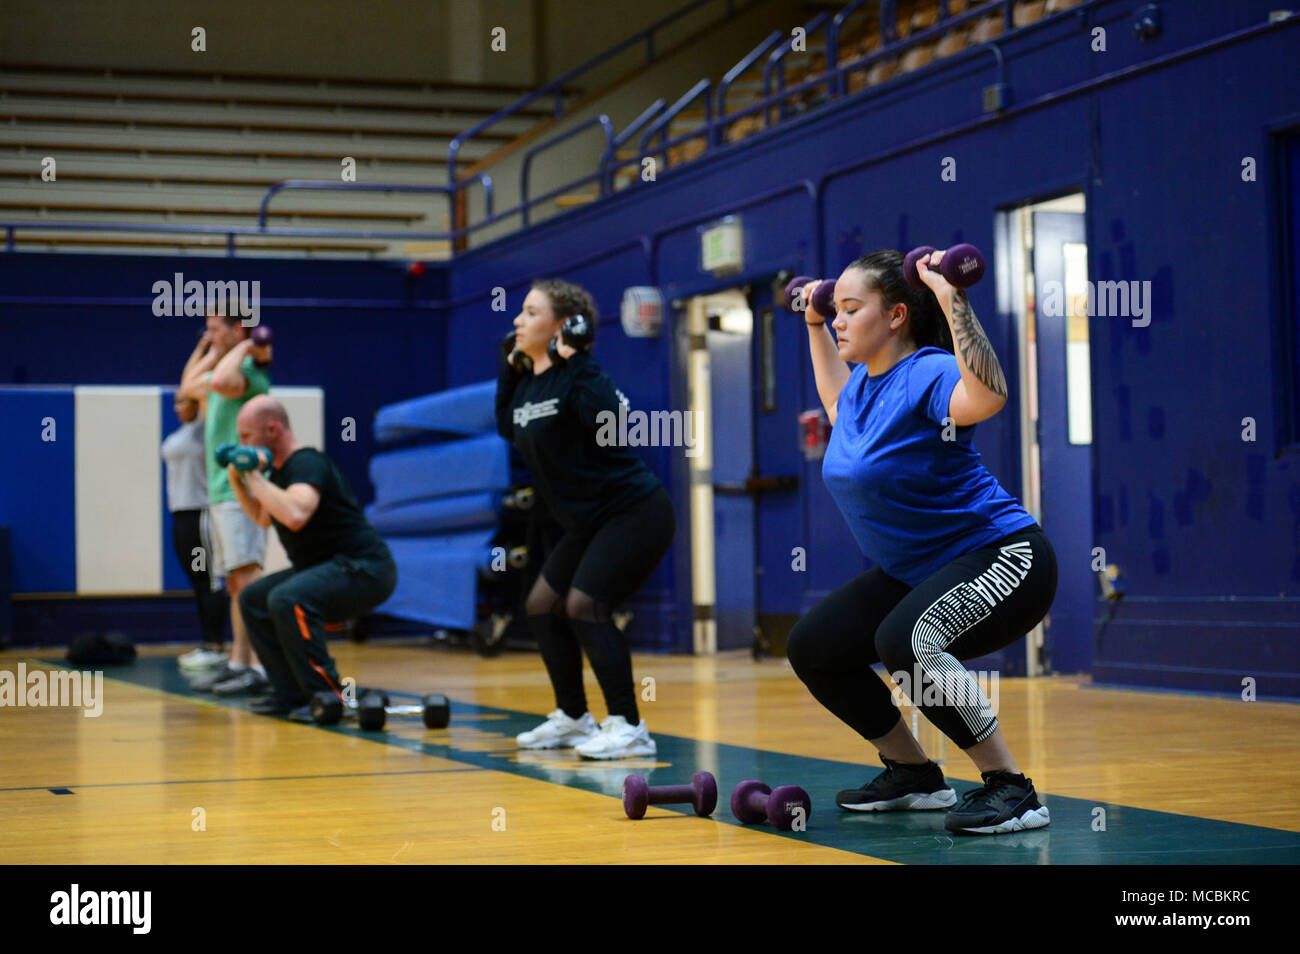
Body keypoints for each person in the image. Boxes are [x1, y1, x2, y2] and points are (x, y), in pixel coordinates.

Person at [786, 248, 1058, 835]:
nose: (839, 319)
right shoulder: (860, 390)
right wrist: (813, 323)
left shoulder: (927, 372)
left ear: (896, 316)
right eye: (836, 309)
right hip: (918, 570)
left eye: (851, 309)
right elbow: (834, 400)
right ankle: (912, 774)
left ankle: (1012, 788)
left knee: (909, 639)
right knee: (814, 645)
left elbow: (987, 397)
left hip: (1005, 556)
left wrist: (951, 296)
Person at [496, 279, 675, 760]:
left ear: (563, 326)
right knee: (540, 605)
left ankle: (630, 728)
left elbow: (612, 422)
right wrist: (509, 369)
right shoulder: (529, 382)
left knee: (584, 606)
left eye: (531, 312)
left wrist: (579, 357)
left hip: (634, 511)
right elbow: (507, 426)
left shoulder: (578, 376)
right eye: (521, 311)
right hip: (588, 523)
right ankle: (574, 718)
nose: (518, 320)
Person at [226, 395, 397, 719]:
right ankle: (290, 694)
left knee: (288, 599)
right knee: (253, 598)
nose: (242, 444)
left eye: (246, 436)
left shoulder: (306, 462)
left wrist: (254, 476)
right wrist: (239, 481)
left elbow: (295, 514)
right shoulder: (279, 473)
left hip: (365, 567)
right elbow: (264, 517)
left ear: (273, 429)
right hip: (328, 567)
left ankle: (328, 696)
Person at [179, 313, 272, 695]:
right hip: (220, 492)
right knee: (235, 583)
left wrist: (246, 345)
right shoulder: (223, 367)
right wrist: (208, 348)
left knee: (248, 580)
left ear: (238, 329)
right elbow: (189, 386)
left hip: (242, 491)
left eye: (216, 329)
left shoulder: (249, 373)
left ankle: (262, 667)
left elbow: (218, 382)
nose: (210, 335)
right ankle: (239, 662)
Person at [164, 385, 229, 672]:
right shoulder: (181, 434)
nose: (176, 407)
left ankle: (217, 647)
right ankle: (208, 644)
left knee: (209, 581)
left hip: (201, 514)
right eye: (176, 402)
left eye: (183, 402)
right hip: (181, 516)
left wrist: (208, 351)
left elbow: (198, 384)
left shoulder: (207, 430)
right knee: (197, 581)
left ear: (198, 404)